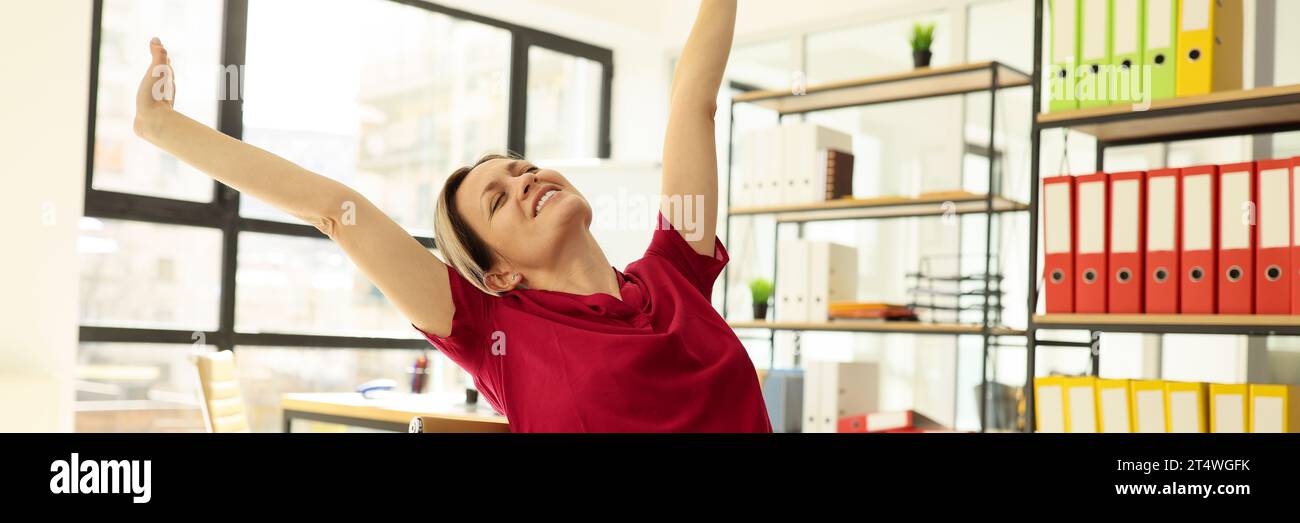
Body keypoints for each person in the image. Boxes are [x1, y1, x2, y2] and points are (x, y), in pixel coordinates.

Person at [133, 0, 768, 432]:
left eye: (521, 169)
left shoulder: (674, 273)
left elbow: (694, 104)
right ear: (497, 275)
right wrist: (164, 127)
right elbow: (337, 211)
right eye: (498, 198)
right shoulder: (492, 328)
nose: (526, 180)